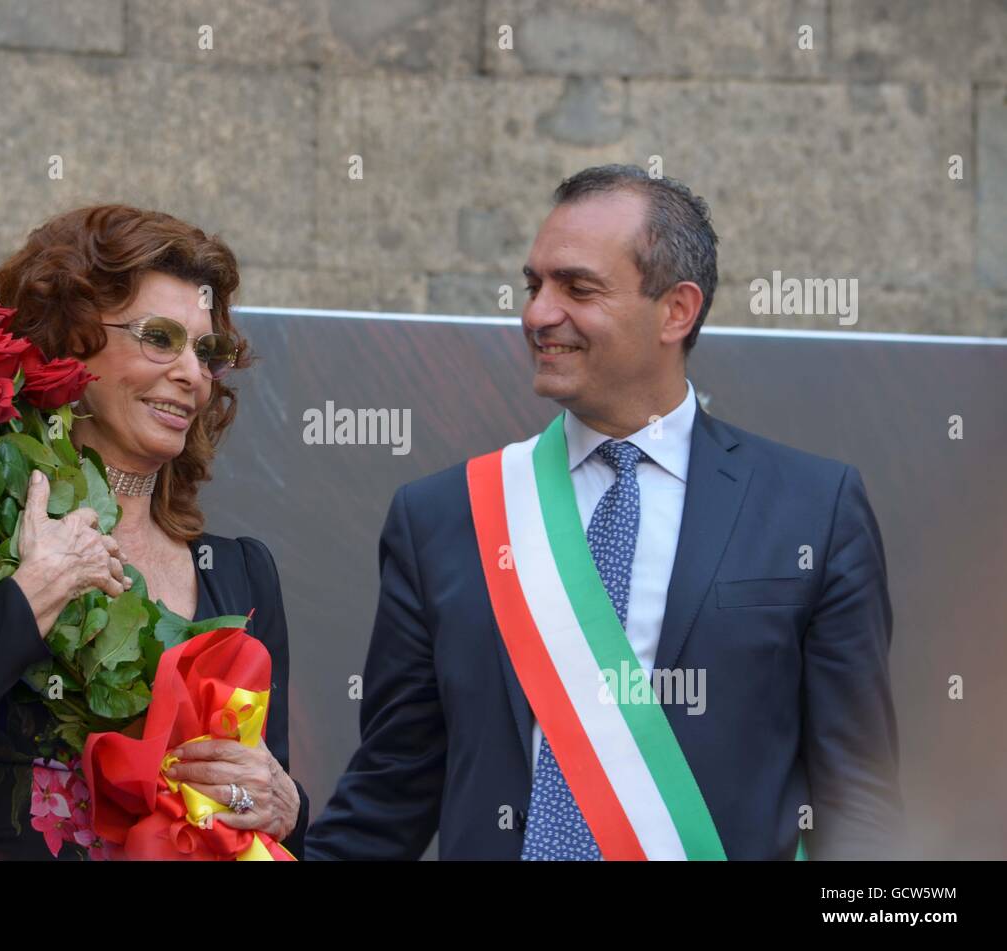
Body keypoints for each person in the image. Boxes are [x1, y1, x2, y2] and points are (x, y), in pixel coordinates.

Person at [307, 165, 903, 861]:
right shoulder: (443, 516)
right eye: (534, 285)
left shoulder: (812, 509)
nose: (536, 313)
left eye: (577, 287)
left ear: (676, 310)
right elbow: (390, 791)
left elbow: (856, 796)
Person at [0, 205, 306, 859]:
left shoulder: (242, 574)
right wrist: (32, 593)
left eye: (205, 350)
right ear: (72, 341)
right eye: (160, 337)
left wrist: (285, 802)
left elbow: (256, 806)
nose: (192, 373)